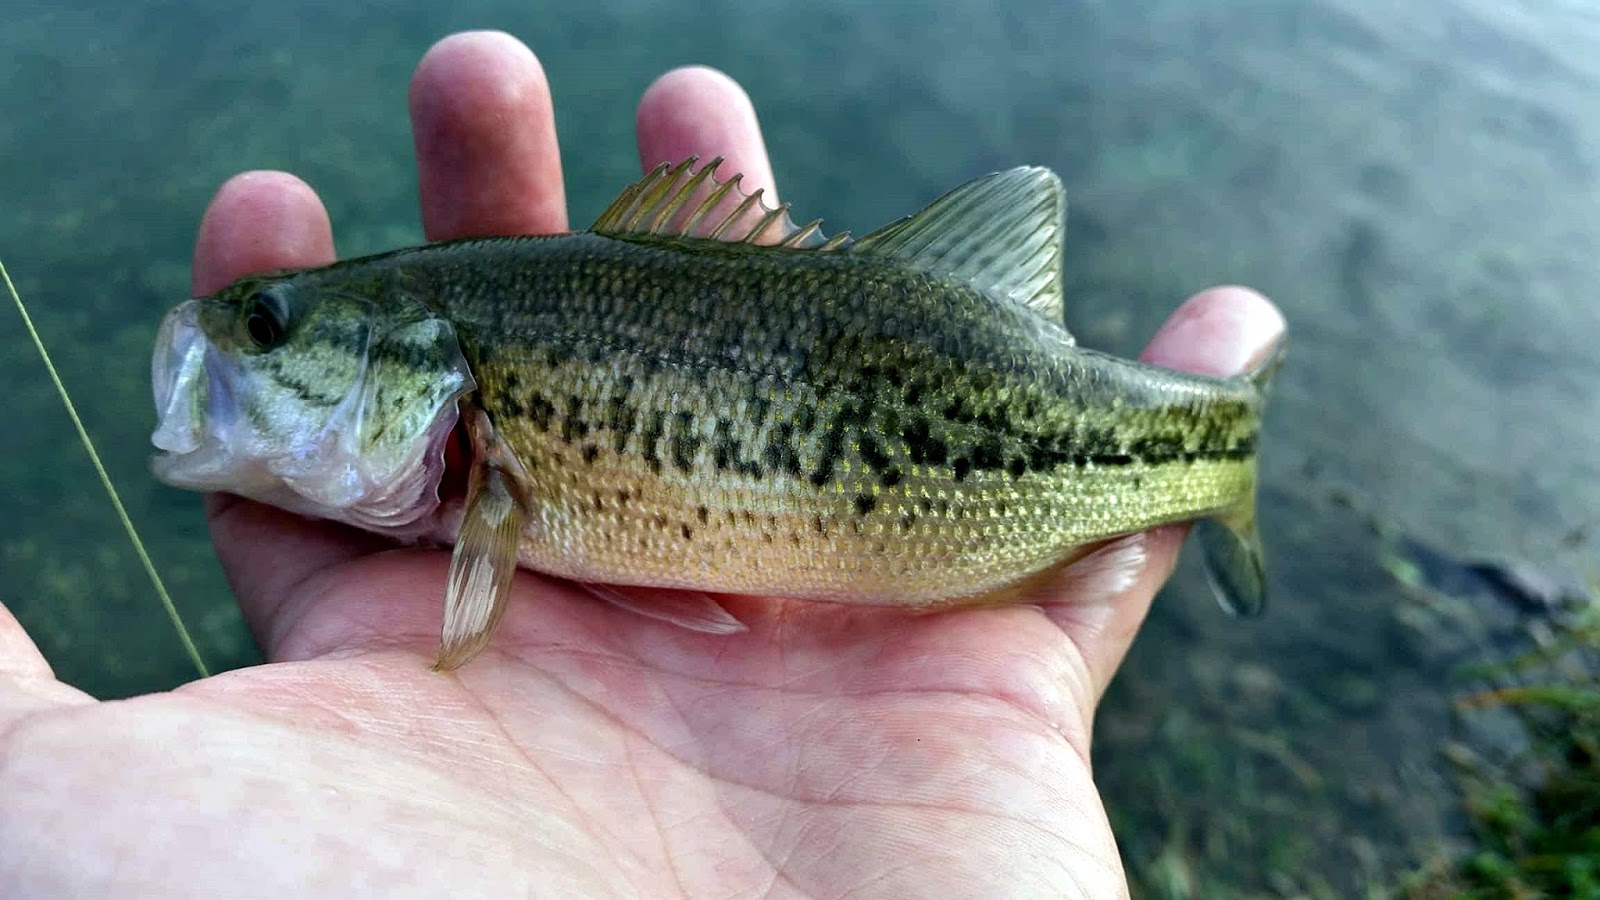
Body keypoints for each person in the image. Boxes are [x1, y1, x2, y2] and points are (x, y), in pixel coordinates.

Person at [0, 31, 1285, 898]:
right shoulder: (474, 427)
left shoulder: (490, 451)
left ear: (429, 371)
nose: (232, 342)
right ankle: (1214, 443)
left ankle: (1213, 449)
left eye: (272, 327)